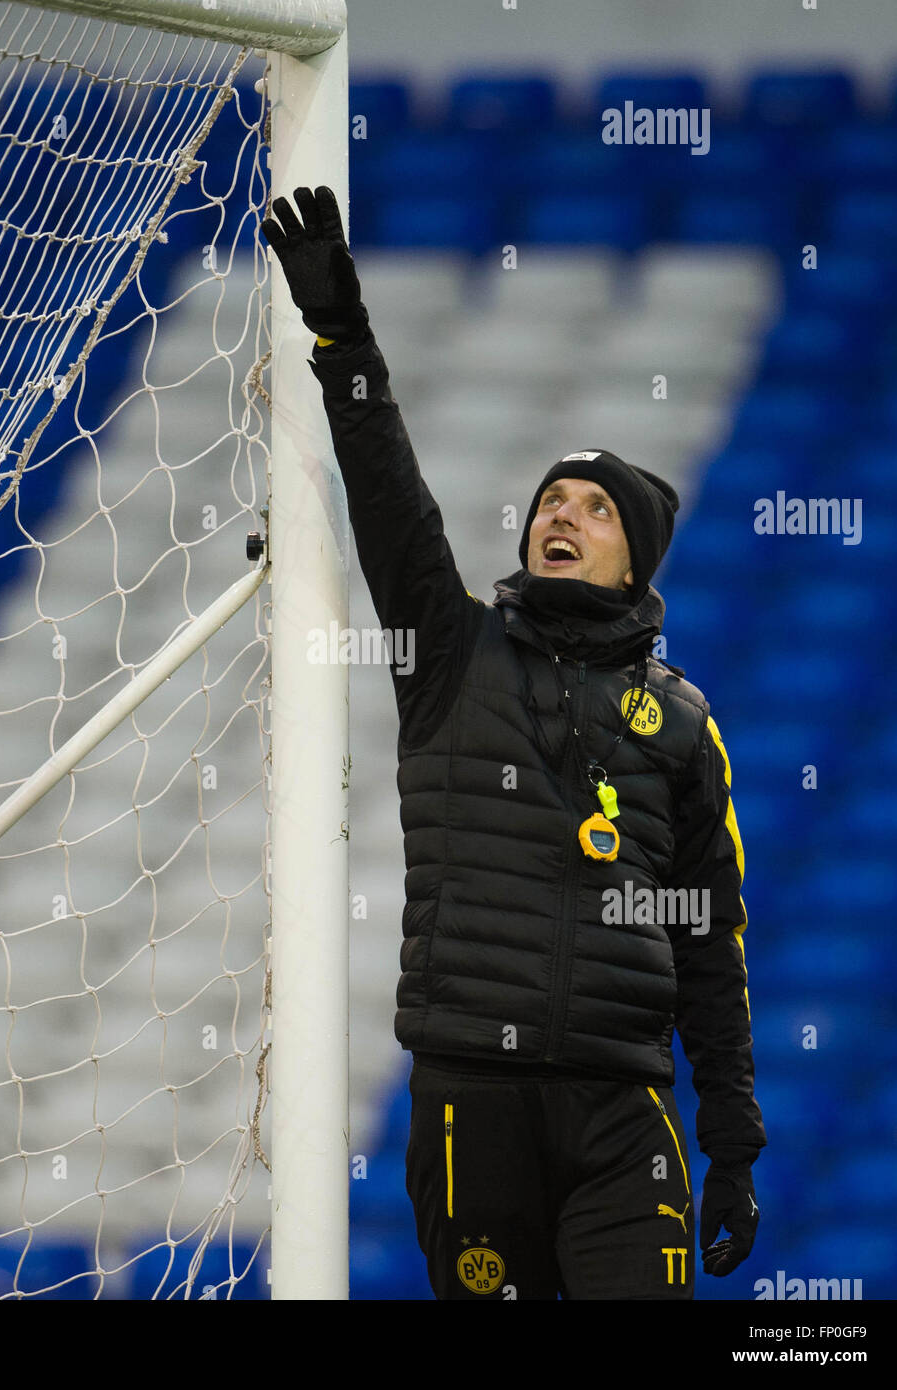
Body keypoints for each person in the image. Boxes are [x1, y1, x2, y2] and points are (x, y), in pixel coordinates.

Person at [260, 186, 766, 1300]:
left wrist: (730, 1136)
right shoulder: (451, 649)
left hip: (619, 1107)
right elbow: (391, 501)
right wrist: (345, 339)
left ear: (635, 562)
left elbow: (710, 939)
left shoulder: (684, 722)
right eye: (552, 499)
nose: (562, 515)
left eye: (593, 507)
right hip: (465, 1101)